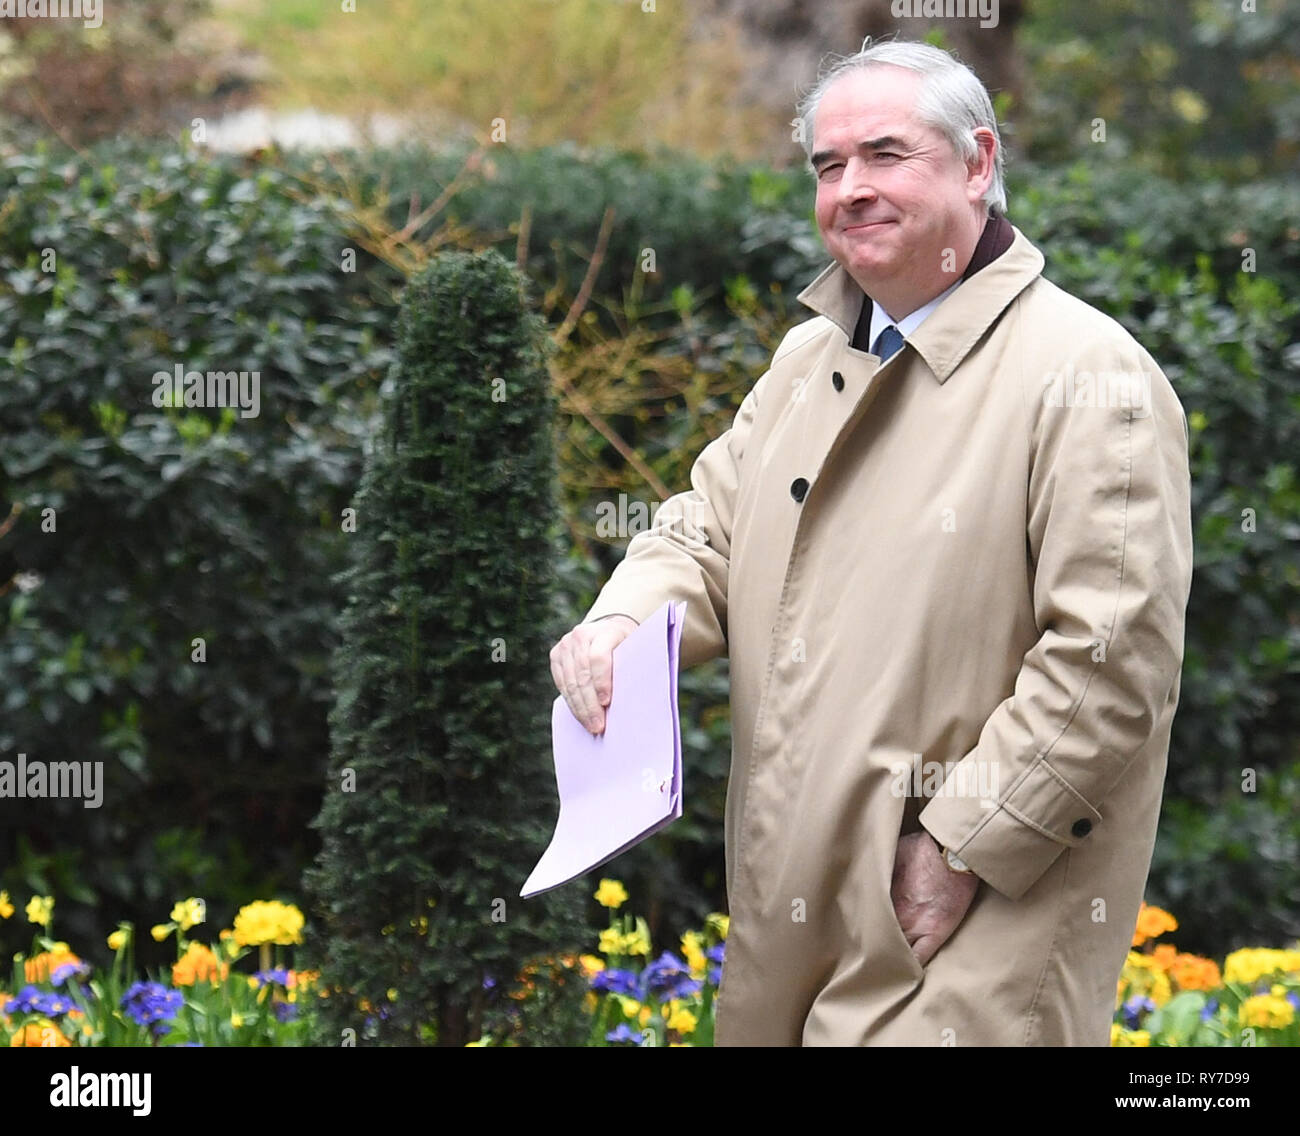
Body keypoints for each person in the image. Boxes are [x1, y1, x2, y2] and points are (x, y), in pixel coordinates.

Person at [549, 38, 1193, 1046]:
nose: (849, 188)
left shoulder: (1089, 376)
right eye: (825, 165)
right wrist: (623, 620)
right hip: (800, 915)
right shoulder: (813, 354)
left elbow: (1111, 663)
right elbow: (706, 532)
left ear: (977, 164)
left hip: (969, 927)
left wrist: (961, 848)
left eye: (885, 155)